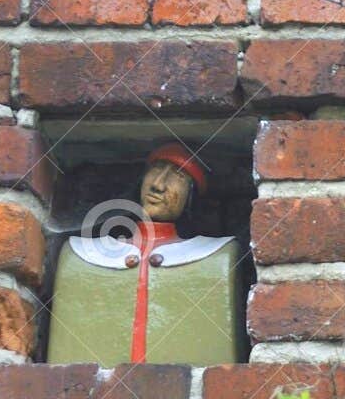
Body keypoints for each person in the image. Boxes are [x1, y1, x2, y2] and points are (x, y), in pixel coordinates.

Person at [47, 143, 240, 367]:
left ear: (191, 196)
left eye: (177, 176)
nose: (158, 185)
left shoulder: (218, 256)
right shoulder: (79, 252)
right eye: (156, 170)